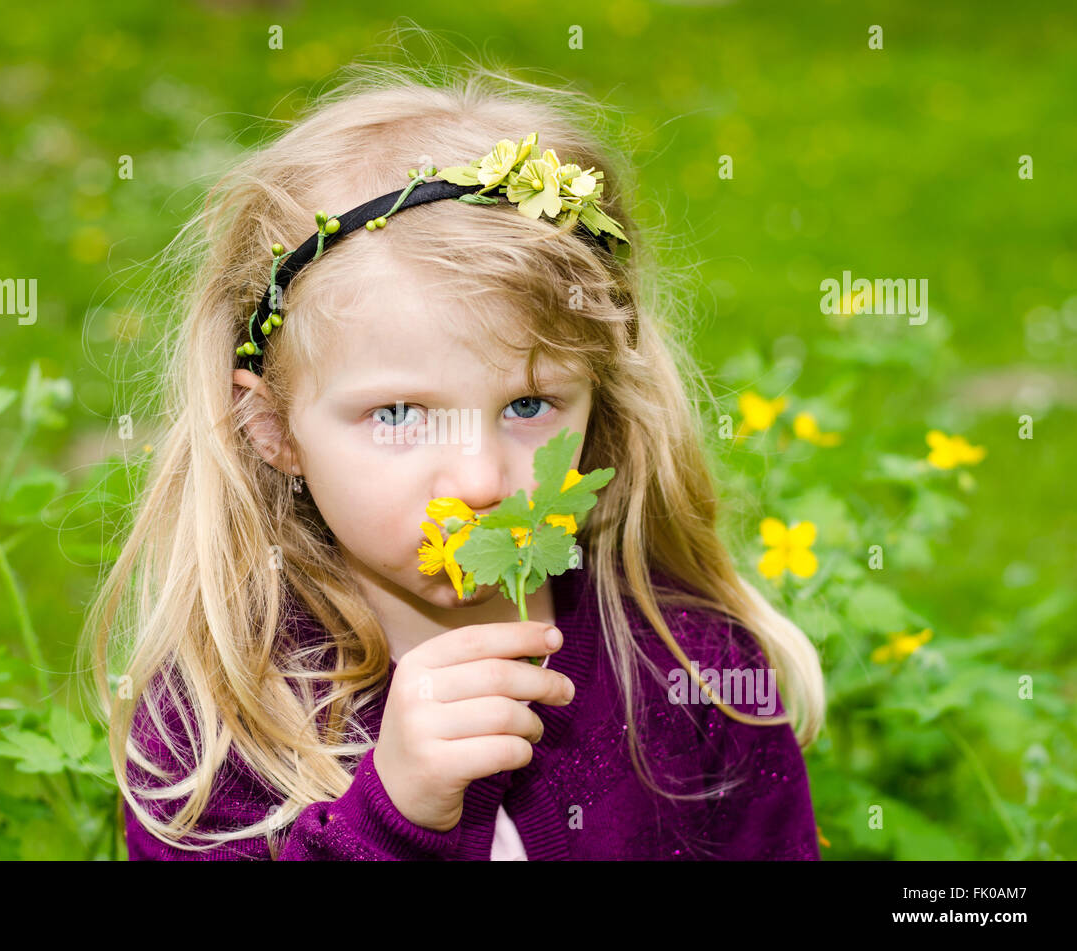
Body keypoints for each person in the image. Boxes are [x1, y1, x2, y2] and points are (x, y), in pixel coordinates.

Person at [85, 59, 826, 861]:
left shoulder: (690, 672)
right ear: (272, 428)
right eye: (399, 413)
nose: (480, 479)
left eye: (529, 406)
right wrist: (391, 817)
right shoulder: (219, 721)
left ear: (598, 399)